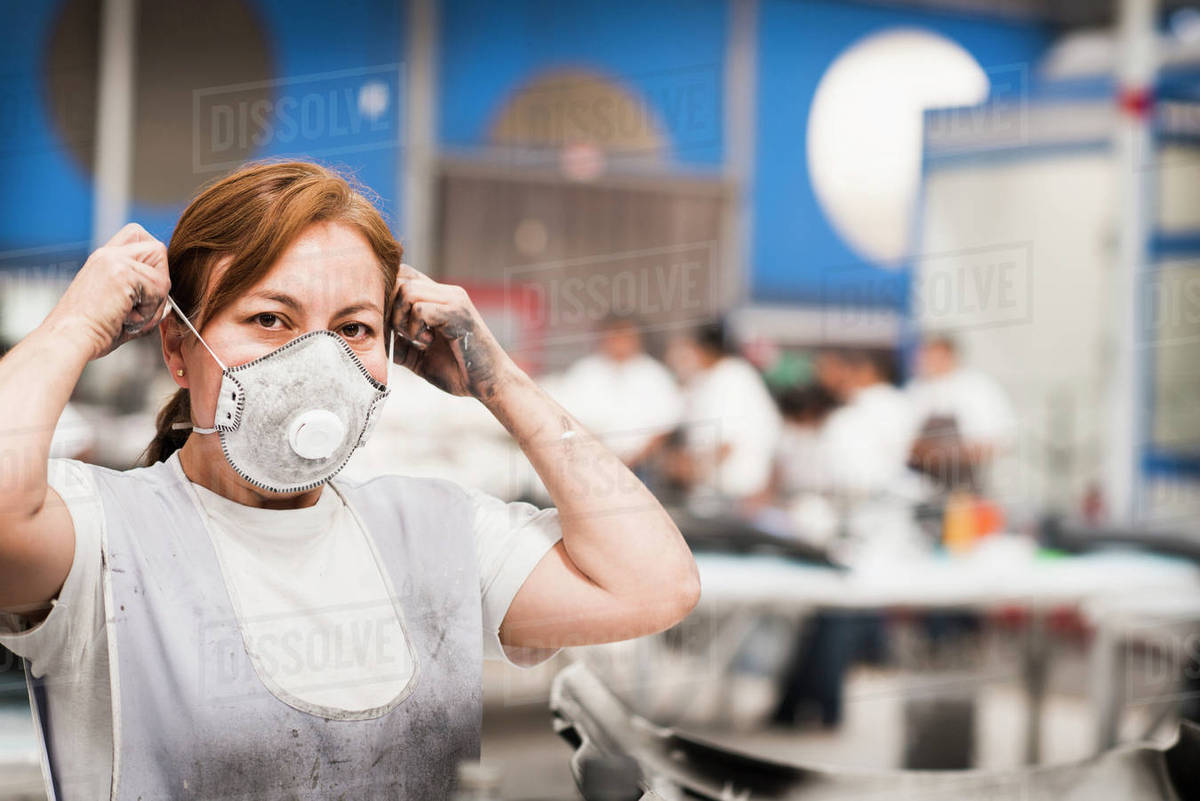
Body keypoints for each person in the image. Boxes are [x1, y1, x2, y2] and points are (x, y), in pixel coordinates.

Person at [0, 162, 700, 800]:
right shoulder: (104, 538)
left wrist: (499, 379)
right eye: (270, 319)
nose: (316, 361)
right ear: (181, 350)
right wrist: (74, 324)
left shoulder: (436, 533)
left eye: (354, 328)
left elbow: (651, 585)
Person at [663, 321, 782, 509]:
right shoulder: (710, 378)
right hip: (719, 492)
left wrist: (690, 470)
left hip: (735, 497)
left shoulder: (731, 378)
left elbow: (726, 443)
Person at [547, 315, 681, 469]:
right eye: (614, 336)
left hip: (643, 465)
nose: (619, 342)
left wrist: (635, 459)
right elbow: (568, 416)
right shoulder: (585, 371)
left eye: (625, 336)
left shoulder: (654, 374)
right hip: (590, 461)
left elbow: (666, 422)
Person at [906, 334, 1017, 493]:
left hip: (970, 487)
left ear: (951, 355)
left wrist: (953, 455)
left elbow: (1001, 440)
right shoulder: (916, 390)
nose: (927, 362)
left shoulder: (978, 388)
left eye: (934, 356)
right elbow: (904, 441)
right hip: (922, 488)